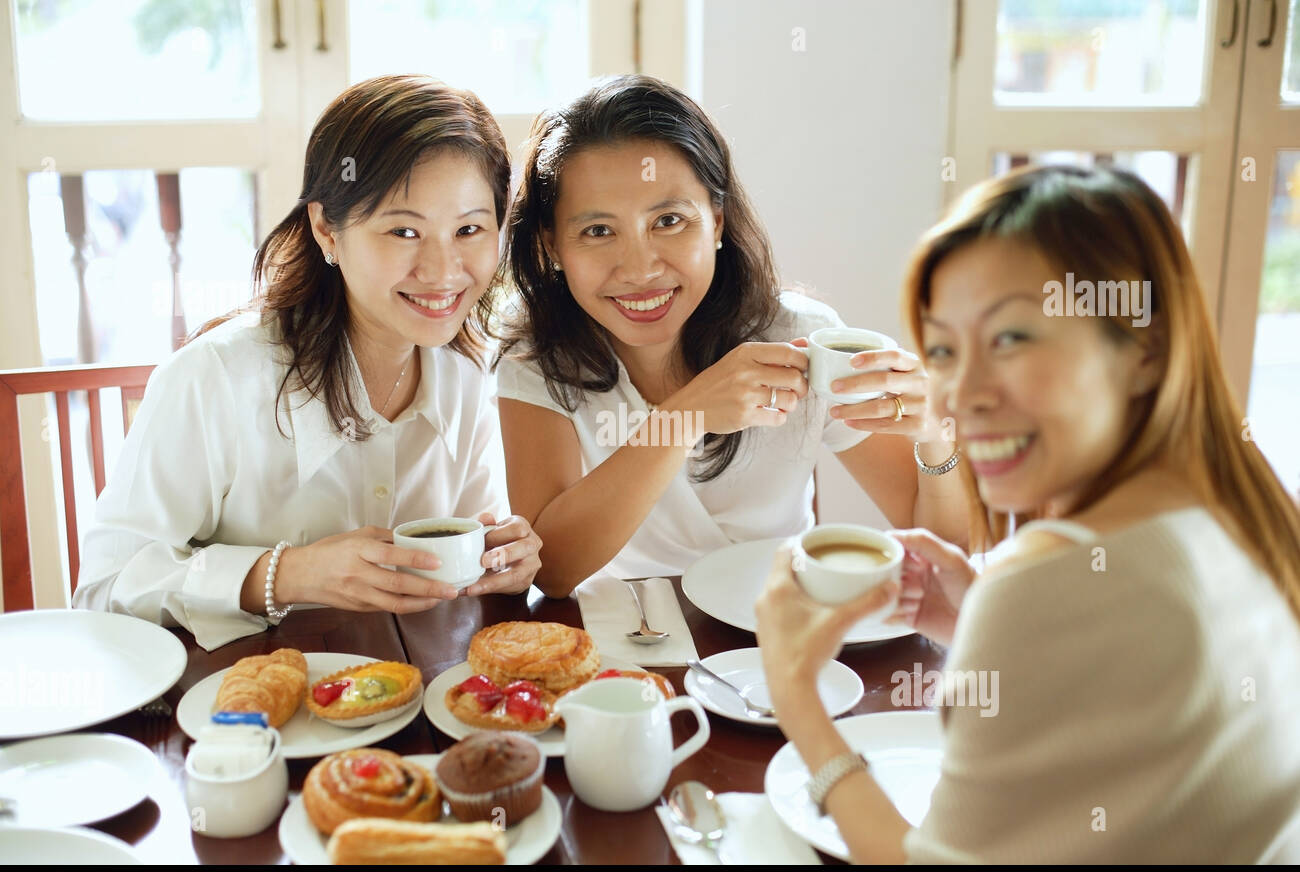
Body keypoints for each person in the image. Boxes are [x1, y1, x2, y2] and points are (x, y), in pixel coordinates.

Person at [756, 164, 1300, 863]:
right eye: (945, 350)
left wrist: (797, 695)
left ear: (1145, 350)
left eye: (1011, 338)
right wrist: (979, 619)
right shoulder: (1247, 509)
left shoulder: (1049, 582)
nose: (960, 396)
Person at [73, 75, 542, 651]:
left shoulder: (468, 372)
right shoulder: (215, 378)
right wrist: (286, 574)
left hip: (406, 701)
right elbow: (102, 589)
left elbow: (462, 553)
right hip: (237, 713)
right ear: (327, 228)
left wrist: (501, 558)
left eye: (469, 229)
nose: (443, 270)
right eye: (403, 230)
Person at [493, 75, 968, 597]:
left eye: (669, 220)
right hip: (629, 647)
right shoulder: (536, 353)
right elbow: (554, 569)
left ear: (716, 223)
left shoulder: (801, 339)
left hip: (780, 639)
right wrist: (683, 417)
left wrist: (935, 434)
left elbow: (948, 552)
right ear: (553, 246)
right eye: (599, 231)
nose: (640, 268)